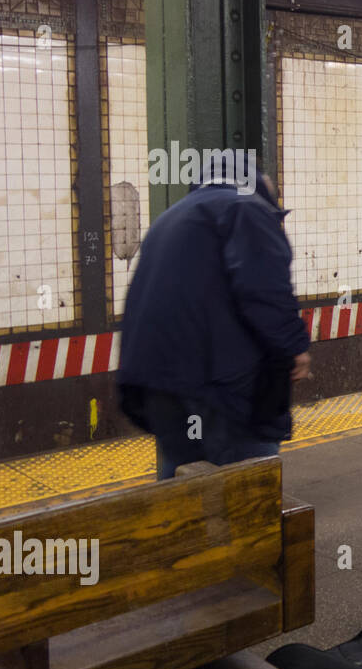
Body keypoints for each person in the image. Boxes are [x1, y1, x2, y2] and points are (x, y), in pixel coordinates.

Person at [118, 158, 312, 479]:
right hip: (215, 387)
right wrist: (296, 348)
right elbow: (265, 290)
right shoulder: (246, 209)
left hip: (159, 388)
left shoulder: (171, 217)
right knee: (246, 484)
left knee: (184, 472)